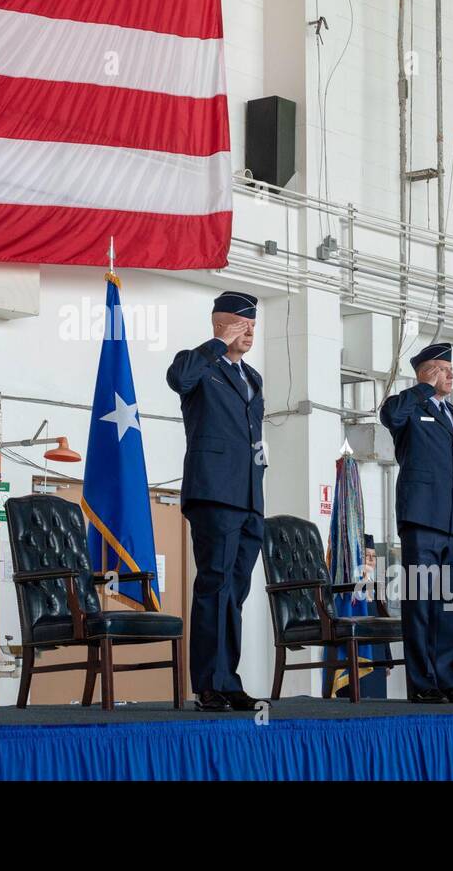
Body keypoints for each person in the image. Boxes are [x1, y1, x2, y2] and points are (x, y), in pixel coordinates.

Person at [167, 292, 266, 712]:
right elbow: (178, 379)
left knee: (235, 592)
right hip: (213, 493)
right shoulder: (199, 364)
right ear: (222, 324)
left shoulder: (253, 378)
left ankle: (229, 680)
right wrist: (216, 344)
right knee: (215, 584)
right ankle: (209, 683)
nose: (249, 334)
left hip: (248, 496)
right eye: (242, 325)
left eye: (253, 327)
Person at [379, 342, 453, 704]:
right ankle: (423, 684)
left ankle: (446, 681)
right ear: (424, 371)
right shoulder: (408, 407)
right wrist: (423, 386)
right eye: (442, 368)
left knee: (448, 605)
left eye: (451, 369)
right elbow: (389, 416)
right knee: (421, 603)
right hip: (421, 520)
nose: (450, 375)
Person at [333, 534, 393, 699]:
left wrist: (387, 660)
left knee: (378, 703)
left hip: (377, 655)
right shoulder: (349, 587)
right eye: (366, 556)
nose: (370, 560)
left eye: (373, 557)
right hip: (358, 653)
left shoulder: (378, 588)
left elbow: (384, 624)